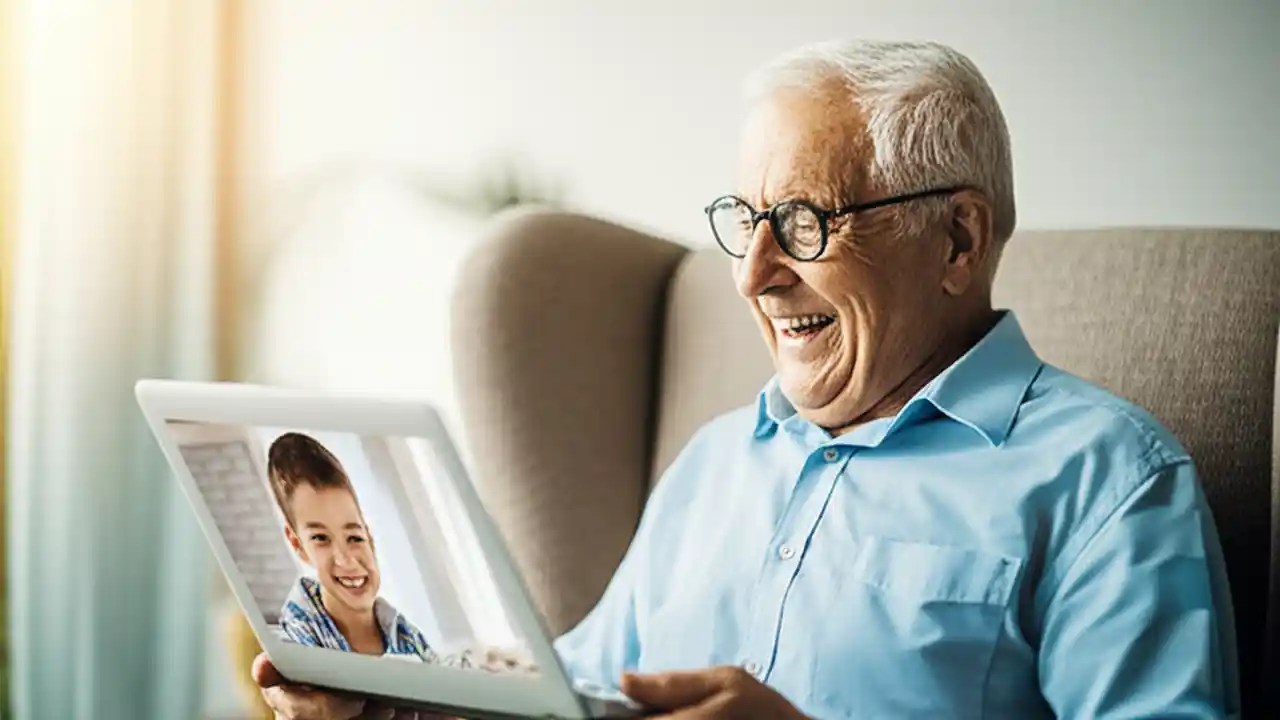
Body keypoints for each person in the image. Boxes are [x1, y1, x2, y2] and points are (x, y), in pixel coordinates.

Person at [255, 39, 1240, 719]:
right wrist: (389, 698)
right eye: (744, 219)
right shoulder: (718, 460)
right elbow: (577, 692)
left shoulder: (1108, 482)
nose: (753, 272)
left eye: (805, 222)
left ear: (956, 237)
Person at [267, 432, 437, 661]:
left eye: (354, 537)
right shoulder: (295, 646)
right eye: (321, 538)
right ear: (298, 544)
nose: (346, 560)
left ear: (369, 537)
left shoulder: (408, 638)